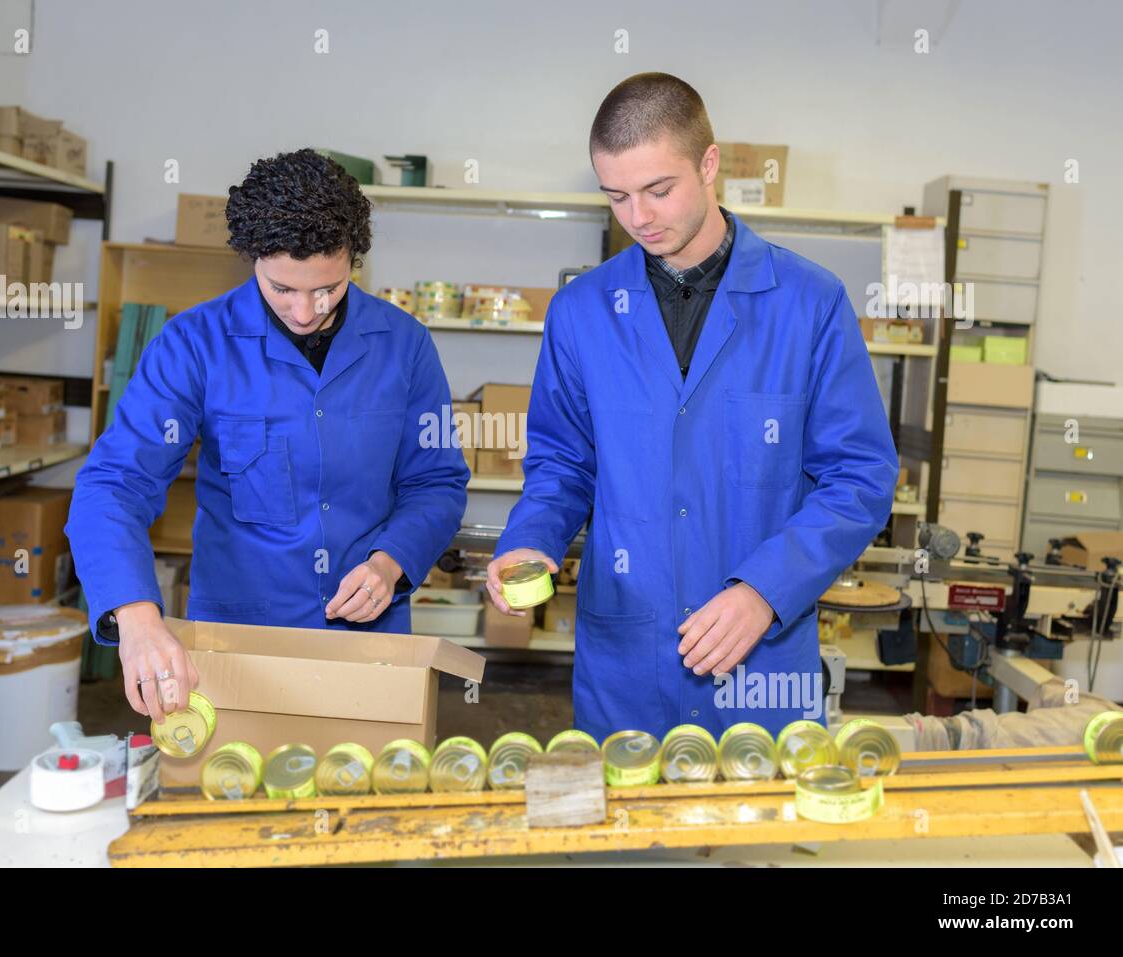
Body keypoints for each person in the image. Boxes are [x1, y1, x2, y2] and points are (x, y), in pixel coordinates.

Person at [486, 73, 897, 740]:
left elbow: (860, 478)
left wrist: (764, 590)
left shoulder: (809, 304)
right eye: (616, 195)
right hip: (626, 660)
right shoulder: (582, 312)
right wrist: (528, 542)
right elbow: (562, 464)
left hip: (760, 660)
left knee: (749, 836)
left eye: (658, 189)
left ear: (709, 165)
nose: (639, 217)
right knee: (630, 839)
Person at [67, 149, 469, 722]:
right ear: (252, 259)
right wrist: (135, 617)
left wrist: (391, 562)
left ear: (354, 260)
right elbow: (114, 485)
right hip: (237, 639)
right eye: (283, 289)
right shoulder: (194, 345)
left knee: (363, 794)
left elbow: (437, 483)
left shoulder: (404, 346)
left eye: (327, 288)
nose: (305, 311)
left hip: (367, 640)